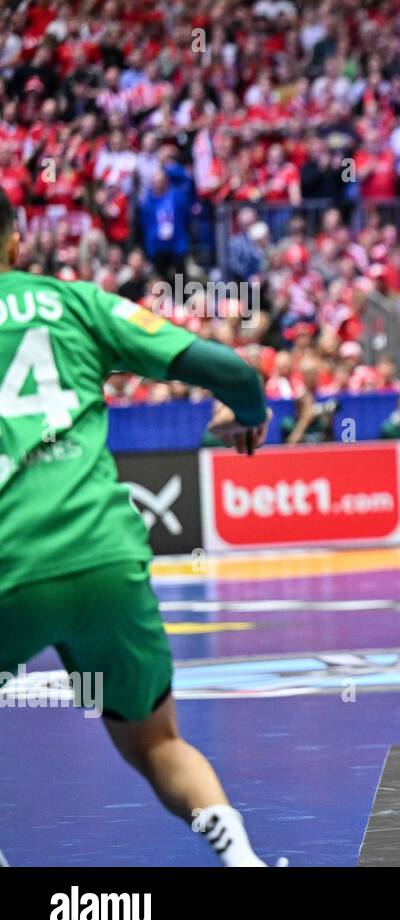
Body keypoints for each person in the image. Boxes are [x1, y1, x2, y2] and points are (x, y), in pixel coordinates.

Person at [0, 192, 279, 865]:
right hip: (104, 556)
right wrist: (244, 413)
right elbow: (231, 369)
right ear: (14, 242)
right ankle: (242, 858)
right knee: (157, 743)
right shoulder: (73, 303)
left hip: (8, 565)